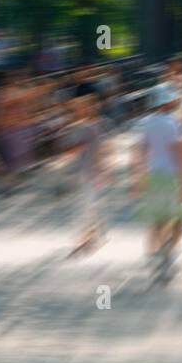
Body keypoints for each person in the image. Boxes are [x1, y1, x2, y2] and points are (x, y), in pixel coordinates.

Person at [137, 85, 182, 284]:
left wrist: (140, 178)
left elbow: (141, 152)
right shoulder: (174, 123)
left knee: (159, 219)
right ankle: (168, 254)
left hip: (153, 175)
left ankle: (160, 255)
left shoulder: (144, 124)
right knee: (180, 219)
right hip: (173, 176)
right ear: (167, 103)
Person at [63, 89, 109, 258]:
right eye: (78, 107)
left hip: (87, 173)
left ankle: (81, 242)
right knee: (89, 207)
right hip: (83, 173)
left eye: (82, 106)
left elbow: (92, 150)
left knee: (84, 208)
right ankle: (96, 236)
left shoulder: (89, 127)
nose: (79, 110)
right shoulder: (87, 126)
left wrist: (102, 171)